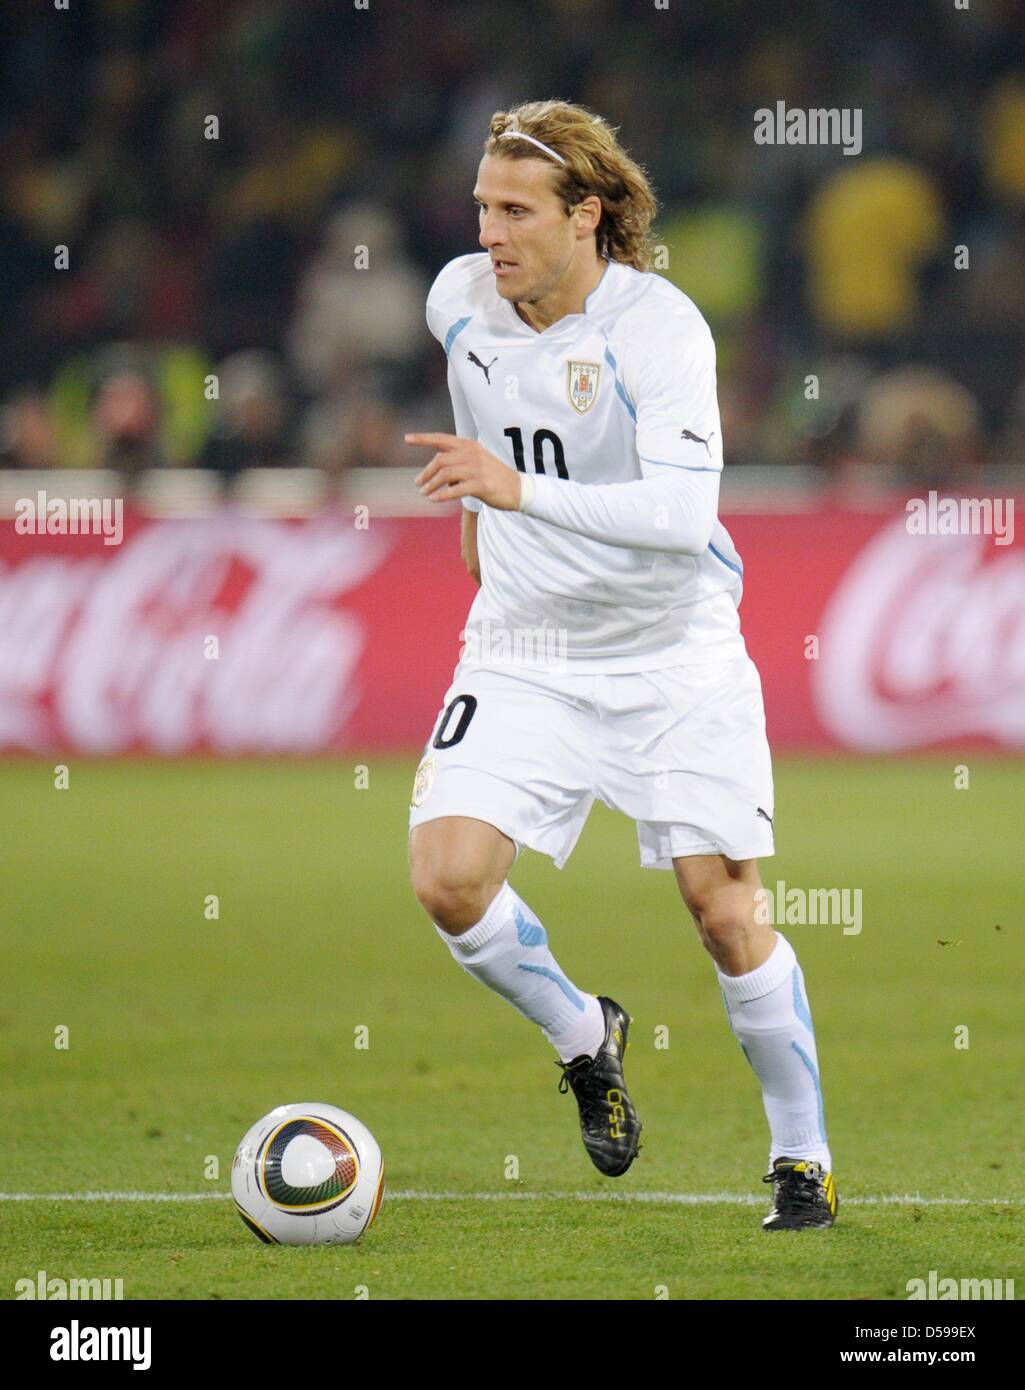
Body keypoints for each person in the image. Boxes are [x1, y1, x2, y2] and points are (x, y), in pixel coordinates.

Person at [405, 100, 836, 1231]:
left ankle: (801, 1157)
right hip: (525, 645)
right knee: (446, 879)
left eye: (514, 211)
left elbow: (680, 511)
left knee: (723, 910)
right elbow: (482, 416)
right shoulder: (456, 301)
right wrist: (486, 526)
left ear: (585, 216)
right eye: (480, 208)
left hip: (668, 652)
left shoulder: (658, 331)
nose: (487, 234)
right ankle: (583, 1034)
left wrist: (513, 492)